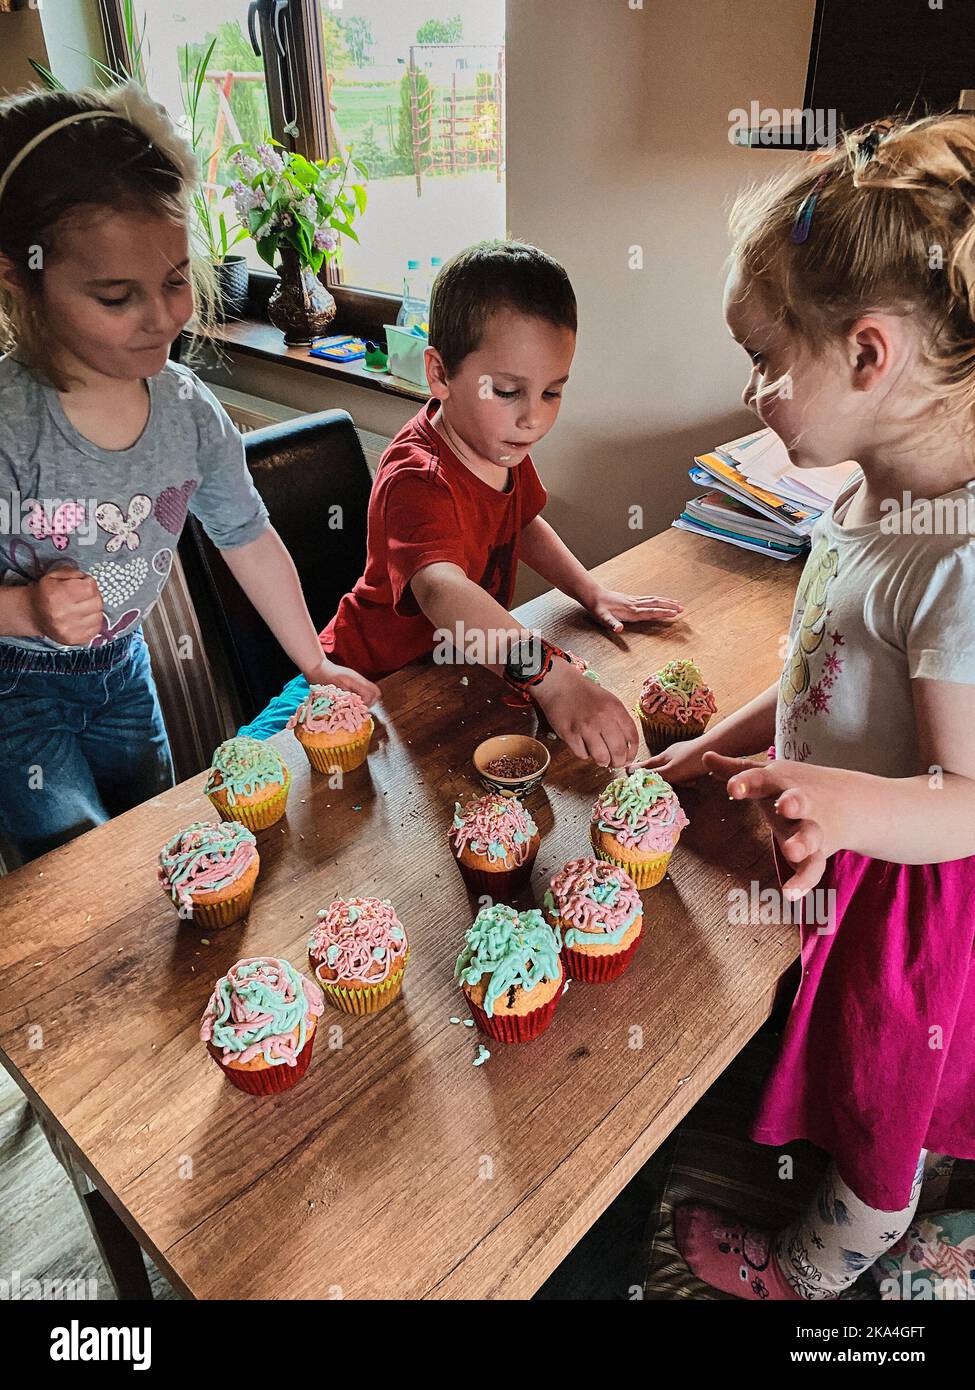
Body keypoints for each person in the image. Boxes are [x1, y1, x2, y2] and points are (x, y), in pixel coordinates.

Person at [649, 113, 975, 1300]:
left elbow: (970, 801)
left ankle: (808, 1272)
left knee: (884, 1101)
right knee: (842, 1063)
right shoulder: (866, 496)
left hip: (914, 905)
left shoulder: (955, 560)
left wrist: (838, 803)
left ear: (870, 355)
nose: (751, 387)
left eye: (763, 356)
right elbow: (817, 670)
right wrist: (717, 740)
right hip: (847, 861)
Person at [0, 81, 378, 865]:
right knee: (72, 869)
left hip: (125, 668)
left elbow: (247, 535)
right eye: (116, 296)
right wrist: (27, 612)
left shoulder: (187, 408)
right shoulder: (10, 424)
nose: (164, 315)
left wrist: (313, 661)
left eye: (175, 279)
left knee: (152, 852)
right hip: (18, 689)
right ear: (20, 278)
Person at [242, 239, 684, 766]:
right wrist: (550, 676)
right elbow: (441, 590)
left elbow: (522, 524)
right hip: (364, 674)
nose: (533, 419)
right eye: (506, 391)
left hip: (448, 673)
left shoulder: (498, 444)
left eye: (552, 392)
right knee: (255, 757)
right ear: (439, 375)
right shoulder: (418, 478)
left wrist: (591, 591)